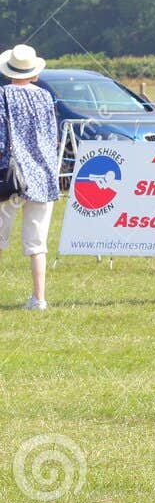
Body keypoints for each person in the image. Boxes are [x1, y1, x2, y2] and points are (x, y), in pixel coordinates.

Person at [0, 44, 62, 310]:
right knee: (37, 243)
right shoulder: (45, 96)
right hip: (42, 175)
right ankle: (39, 298)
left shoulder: (3, 95)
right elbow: (52, 135)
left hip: (10, 175)